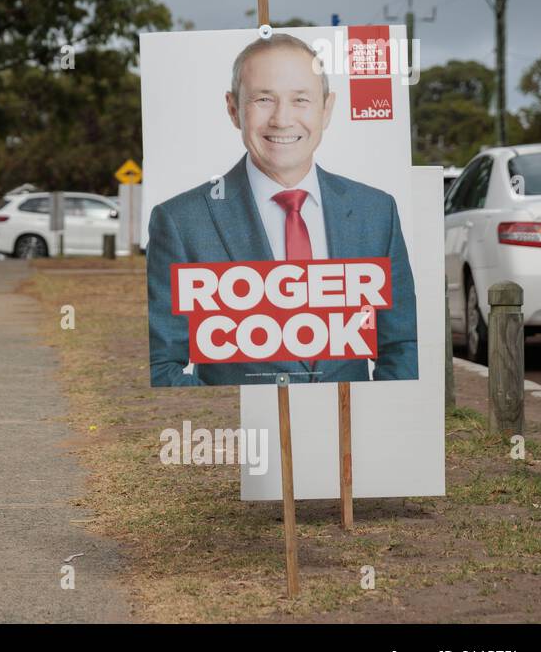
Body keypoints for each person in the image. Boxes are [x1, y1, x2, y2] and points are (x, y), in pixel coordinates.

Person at [146, 33, 418, 387]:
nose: (282, 119)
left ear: (327, 108)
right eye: (263, 99)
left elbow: (401, 346)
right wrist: (235, 421)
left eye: (301, 99)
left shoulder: (376, 212)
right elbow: (160, 364)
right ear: (233, 109)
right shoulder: (181, 222)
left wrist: (373, 422)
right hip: (240, 438)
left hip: (351, 435)